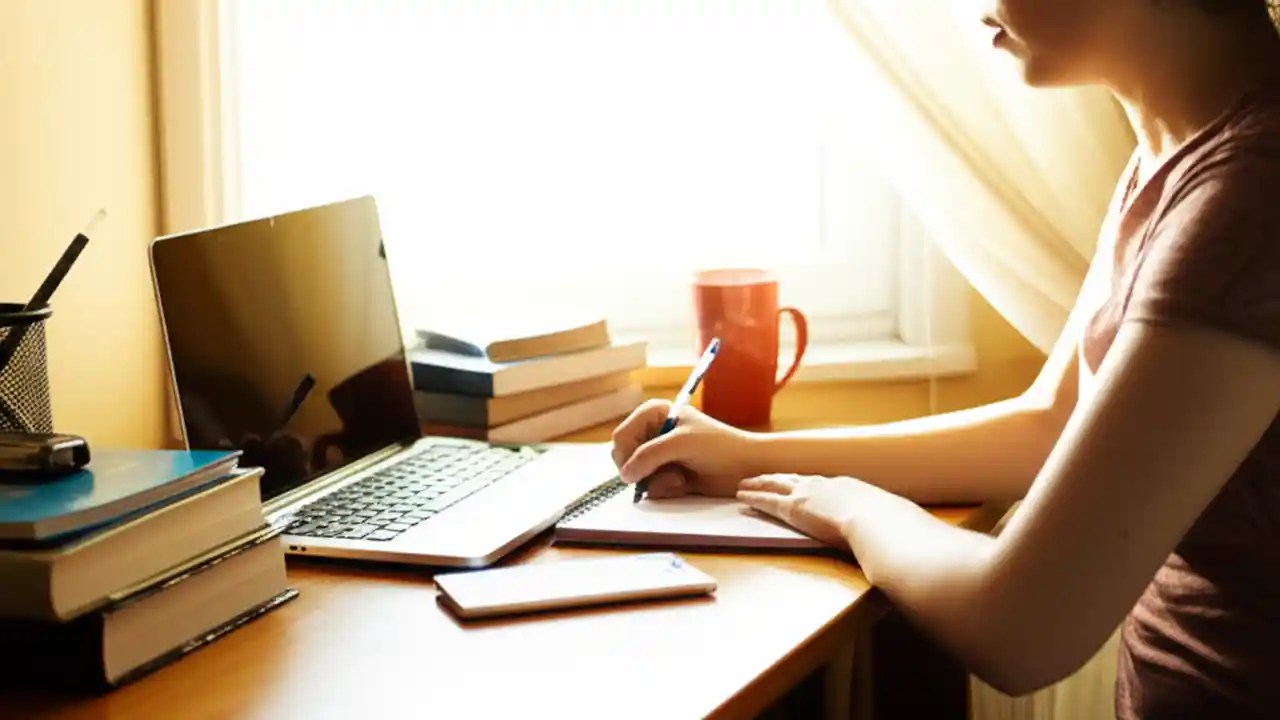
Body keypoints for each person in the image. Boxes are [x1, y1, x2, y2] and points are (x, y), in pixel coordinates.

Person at [610, 2, 1280, 717]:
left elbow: (1022, 627)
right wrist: (746, 454)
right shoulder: (1184, 153)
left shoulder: (1248, 197)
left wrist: (852, 507)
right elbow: (1050, 427)